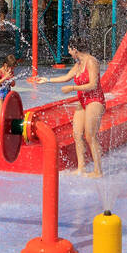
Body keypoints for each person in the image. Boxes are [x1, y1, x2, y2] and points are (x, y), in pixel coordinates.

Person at [38, 38, 105, 176]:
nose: (69, 52)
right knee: (77, 134)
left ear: (75, 49)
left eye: (69, 49)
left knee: (90, 135)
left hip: (95, 100)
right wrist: (47, 80)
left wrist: (73, 88)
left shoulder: (92, 62)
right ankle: (81, 168)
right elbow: (66, 77)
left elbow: (93, 85)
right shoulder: (78, 65)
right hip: (83, 100)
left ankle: (98, 171)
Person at [0, 54, 18, 120]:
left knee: (8, 115)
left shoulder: (11, 72)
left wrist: (11, 79)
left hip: (7, 96)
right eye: (11, 67)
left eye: (13, 68)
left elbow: (13, 85)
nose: (11, 69)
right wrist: (5, 78)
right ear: (5, 65)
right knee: (1, 116)